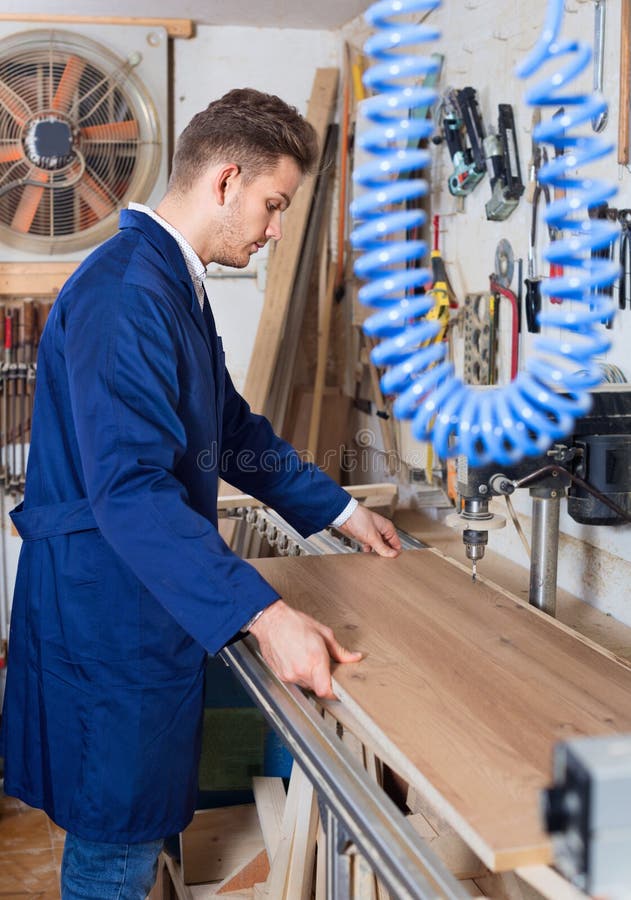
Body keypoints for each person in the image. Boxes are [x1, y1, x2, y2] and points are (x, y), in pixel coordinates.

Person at [0, 88, 401, 899]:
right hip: (109, 603)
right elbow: (135, 493)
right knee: (117, 843)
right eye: (273, 204)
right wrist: (266, 612)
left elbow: (230, 431)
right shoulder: (128, 294)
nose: (276, 229)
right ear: (224, 181)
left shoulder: (167, 283)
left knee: (131, 829)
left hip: (131, 591)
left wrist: (342, 511)